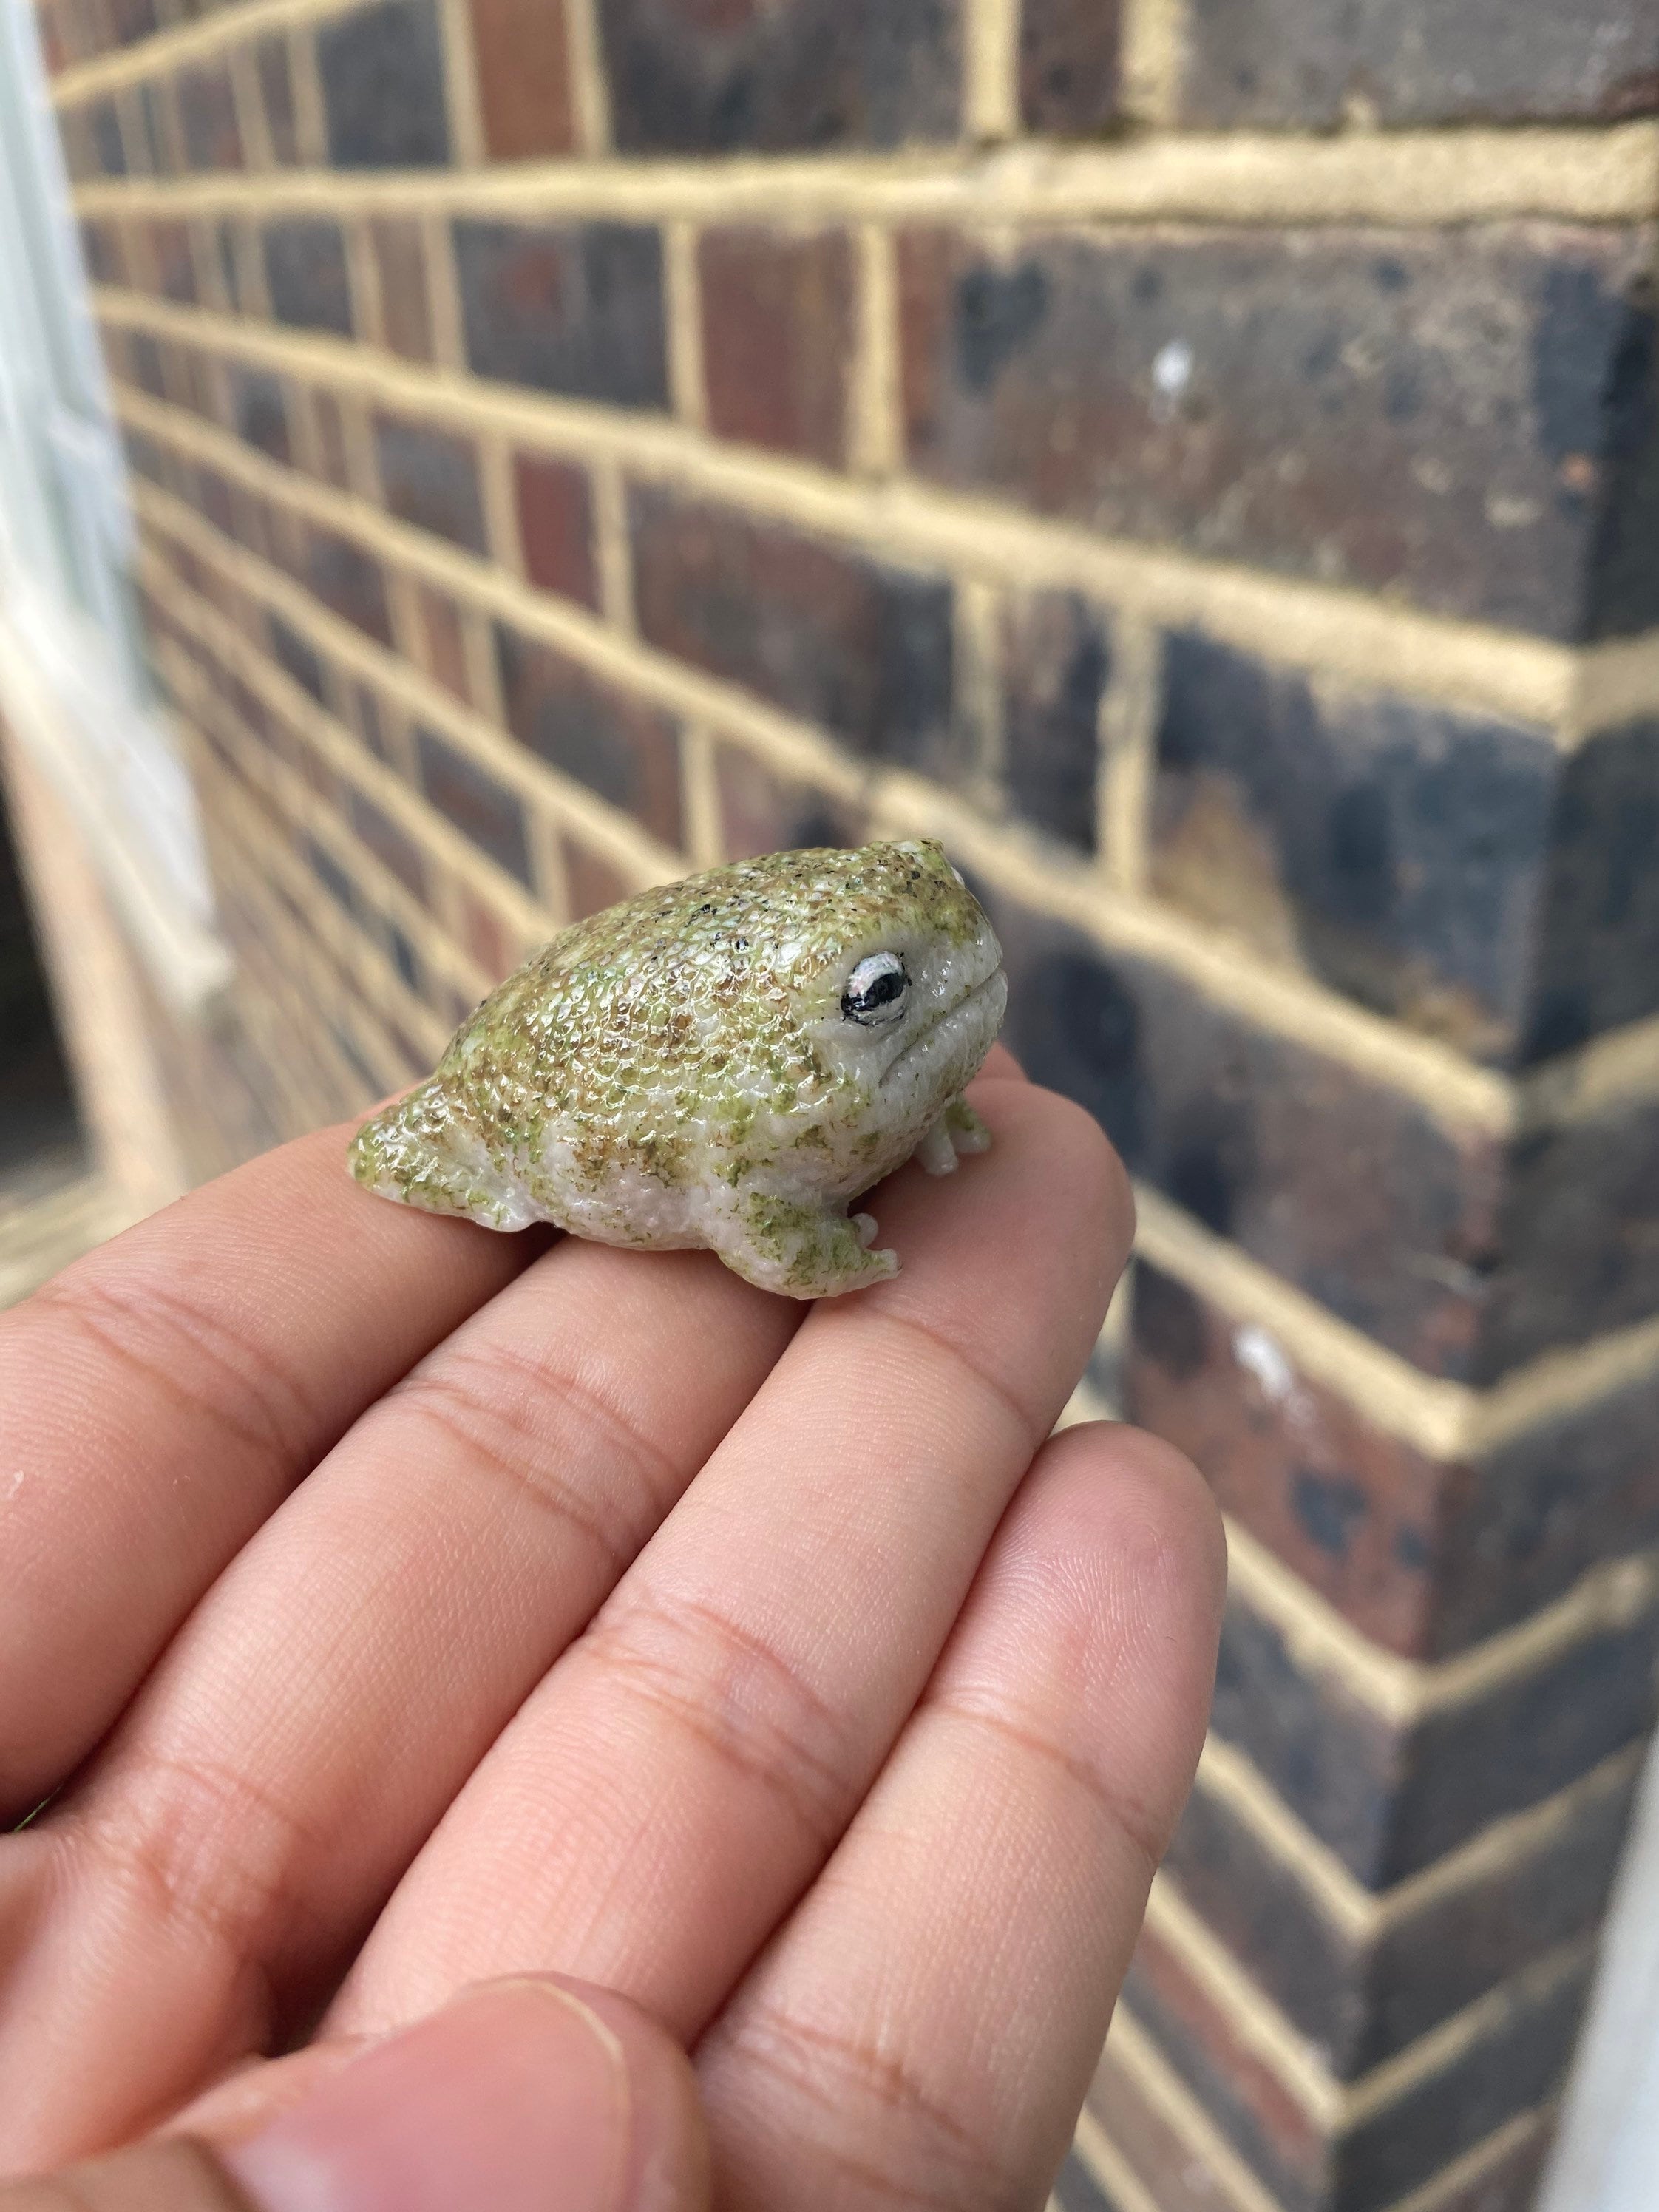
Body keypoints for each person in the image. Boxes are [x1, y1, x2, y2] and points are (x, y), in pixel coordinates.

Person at [0, 1045, 1223, 2211]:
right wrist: (826, 1247)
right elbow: (749, 1191)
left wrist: (925, 1094)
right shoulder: (762, 1100)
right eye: (884, 990)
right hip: (563, 1108)